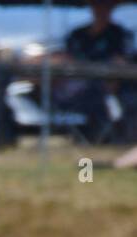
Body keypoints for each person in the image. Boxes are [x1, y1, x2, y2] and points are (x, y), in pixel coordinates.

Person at [57, 1, 134, 141]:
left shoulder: (119, 34)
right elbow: (68, 59)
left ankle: (115, 135)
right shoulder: (78, 34)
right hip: (79, 87)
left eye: (105, 6)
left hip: (111, 87)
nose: (101, 10)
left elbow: (123, 61)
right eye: (97, 6)